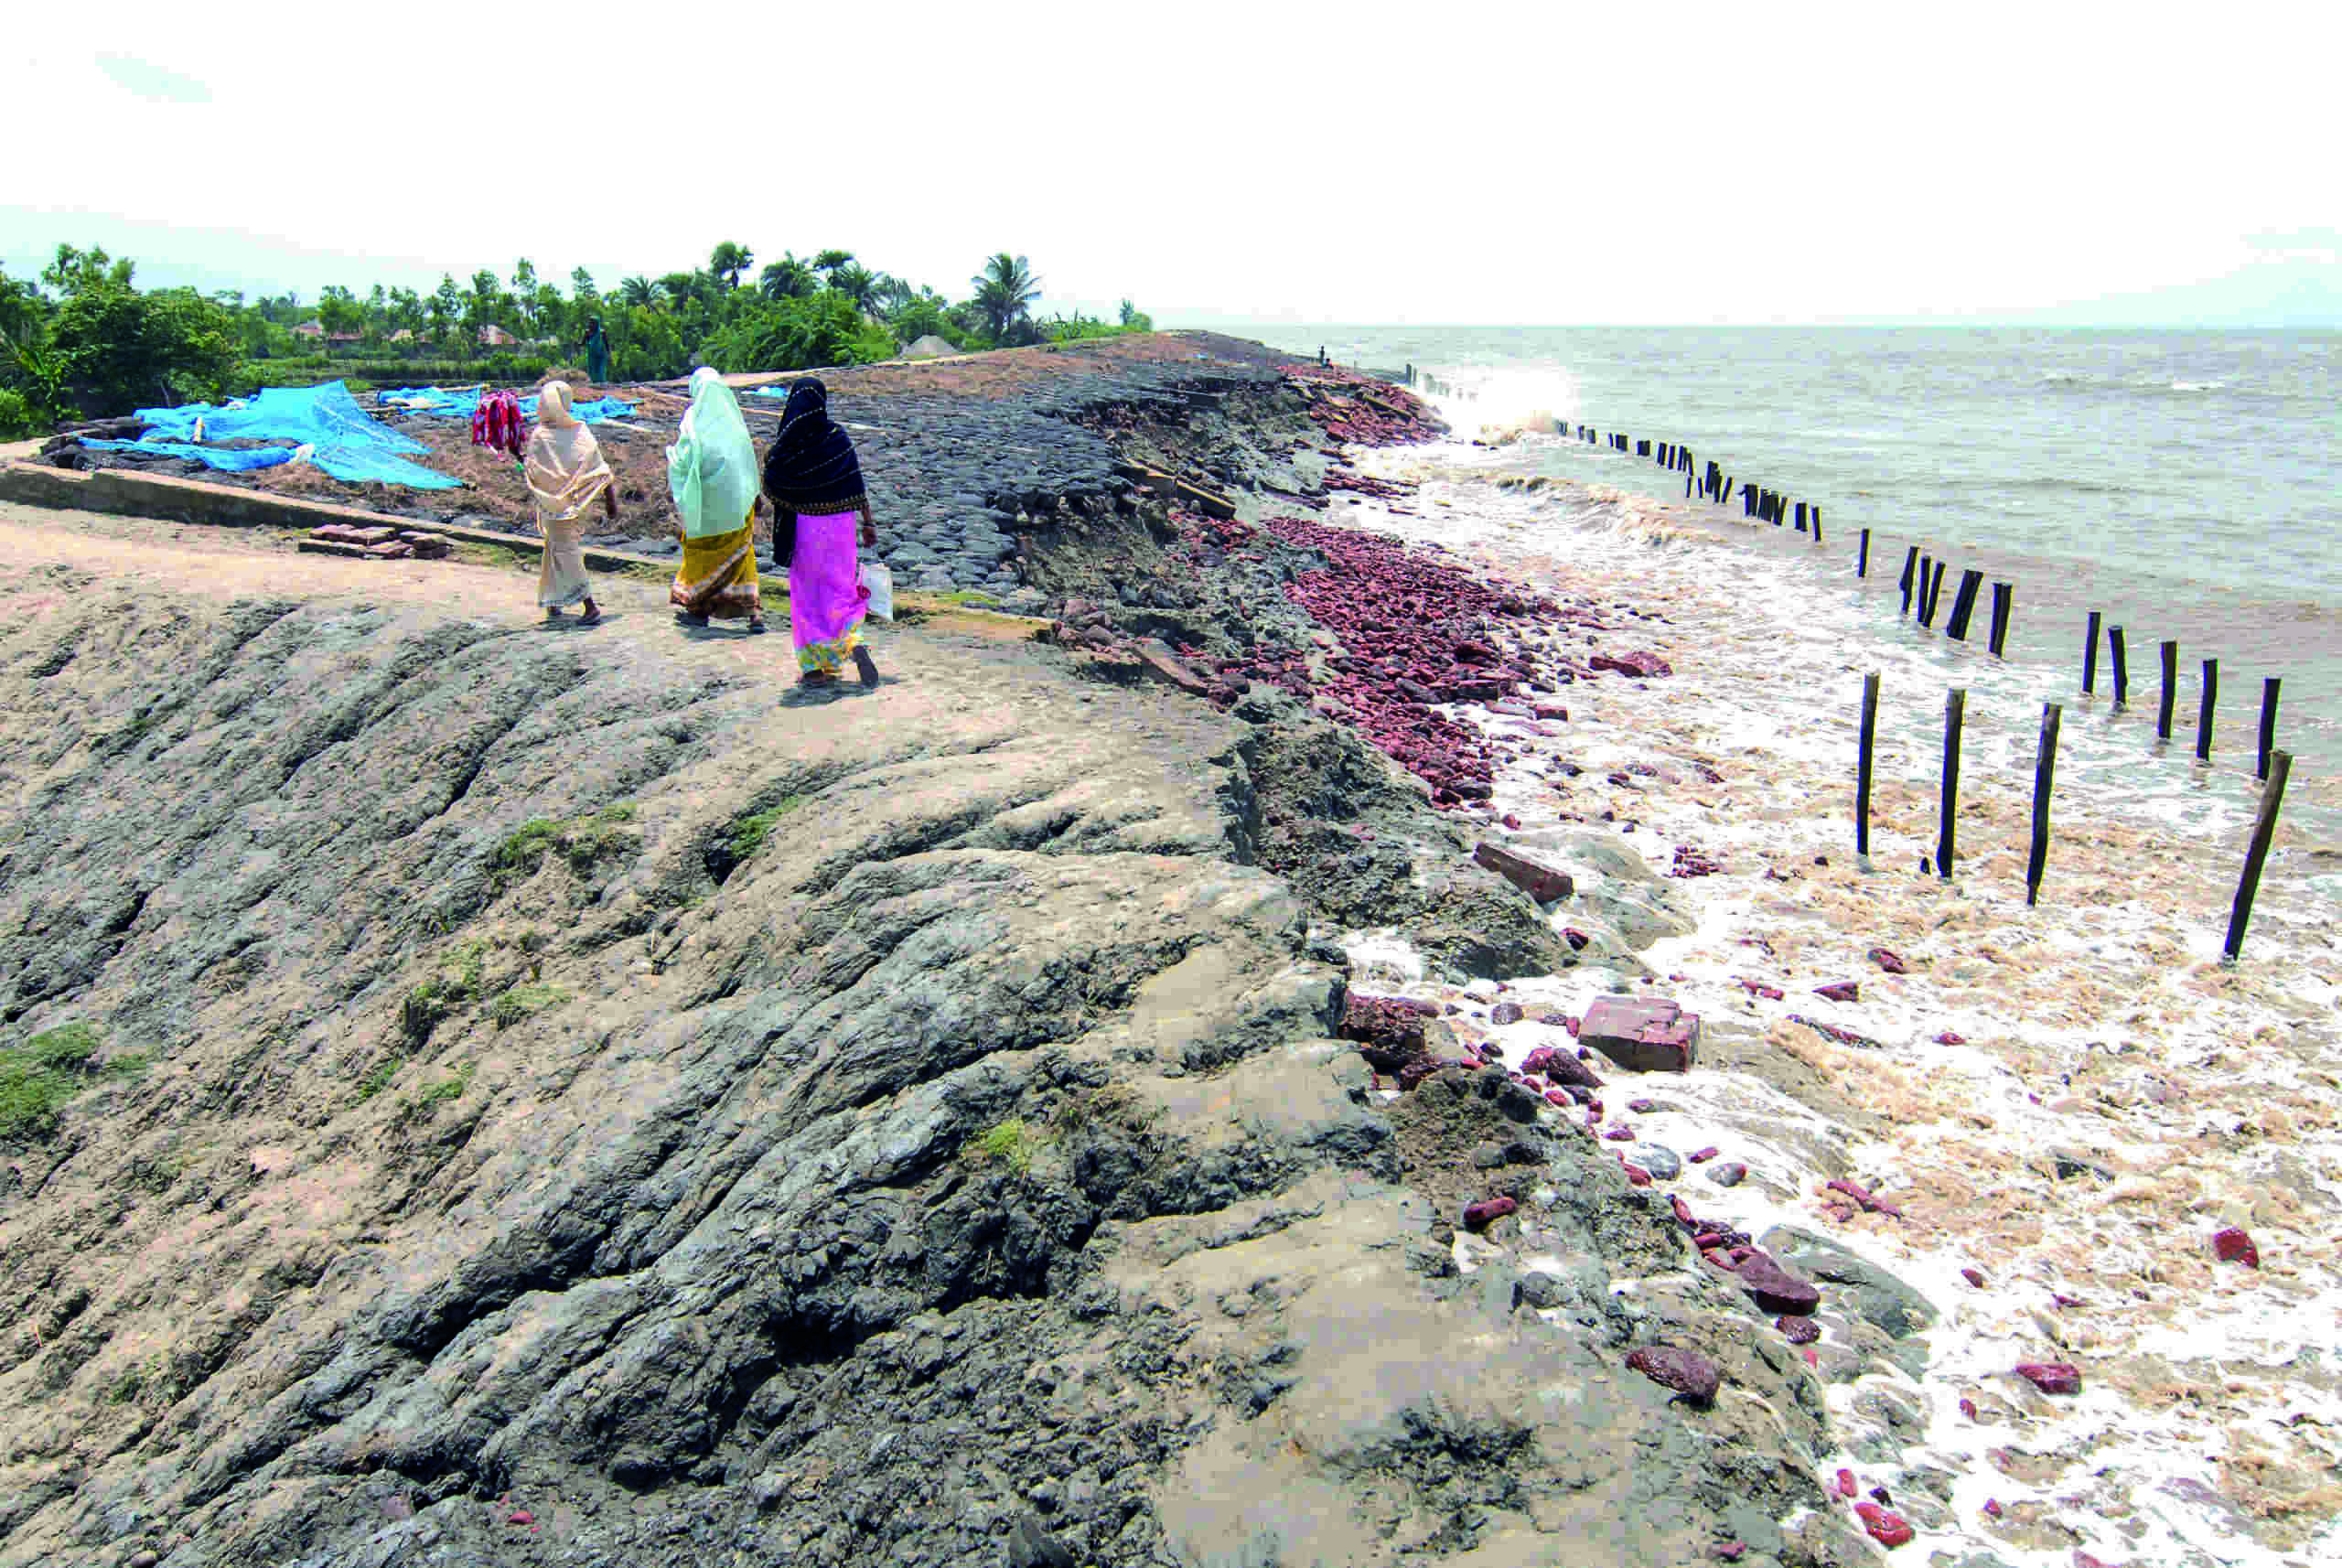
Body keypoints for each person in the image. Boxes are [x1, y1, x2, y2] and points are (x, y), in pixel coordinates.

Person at [760, 377, 880, 688]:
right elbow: (856, 482)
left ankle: (813, 668)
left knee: (808, 596)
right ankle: (853, 640)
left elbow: (771, 481)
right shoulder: (837, 437)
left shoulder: (787, 448)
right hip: (841, 529)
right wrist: (868, 523)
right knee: (842, 588)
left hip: (805, 529)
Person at [666, 367, 767, 632]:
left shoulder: (693, 423)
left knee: (700, 554)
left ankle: (699, 609)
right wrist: (755, 497)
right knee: (743, 556)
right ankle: (754, 613)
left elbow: (683, 461)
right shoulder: (736, 424)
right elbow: (748, 465)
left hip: (707, 507)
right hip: (739, 506)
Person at [522, 381, 613, 625]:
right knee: (555, 548)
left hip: (556, 504)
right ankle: (553, 602)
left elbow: (535, 468)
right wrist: (609, 500)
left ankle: (590, 606)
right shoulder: (580, 430)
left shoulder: (541, 435)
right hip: (576, 503)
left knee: (565, 551)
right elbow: (599, 468)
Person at [582, 316, 610, 385]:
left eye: (593, 323)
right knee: (592, 370)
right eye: (590, 323)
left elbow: (606, 343)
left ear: (597, 324)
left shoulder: (602, 332)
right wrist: (578, 344)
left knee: (601, 370)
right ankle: (594, 385)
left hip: (601, 354)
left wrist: (609, 354)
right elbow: (583, 343)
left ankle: (602, 384)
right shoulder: (587, 332)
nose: (591, 325)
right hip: (592, 355)